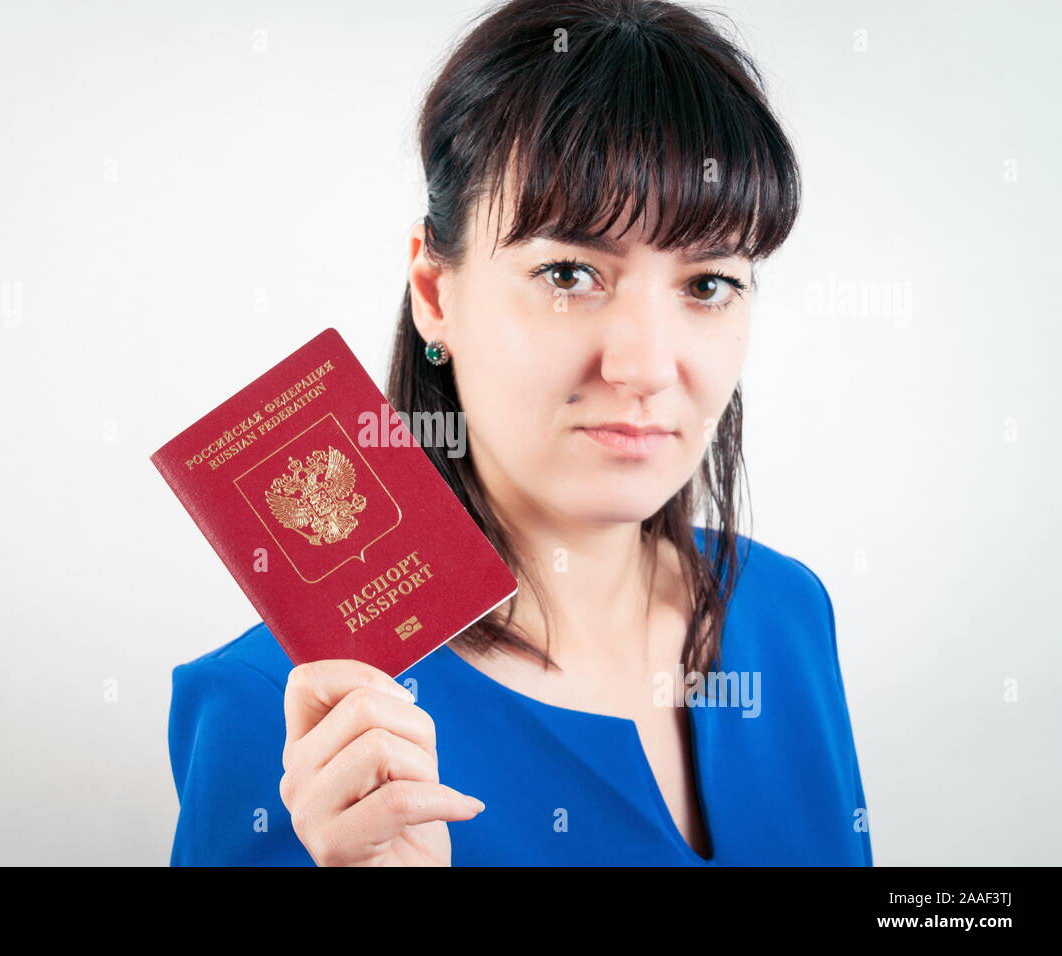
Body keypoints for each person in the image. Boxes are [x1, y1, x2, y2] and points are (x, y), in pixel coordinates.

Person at [168, 0, 872, 866]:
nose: (646, 366)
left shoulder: (783, 608)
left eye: (708, 284)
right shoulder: (286, 712)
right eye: (568, 273)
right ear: (435, 293)